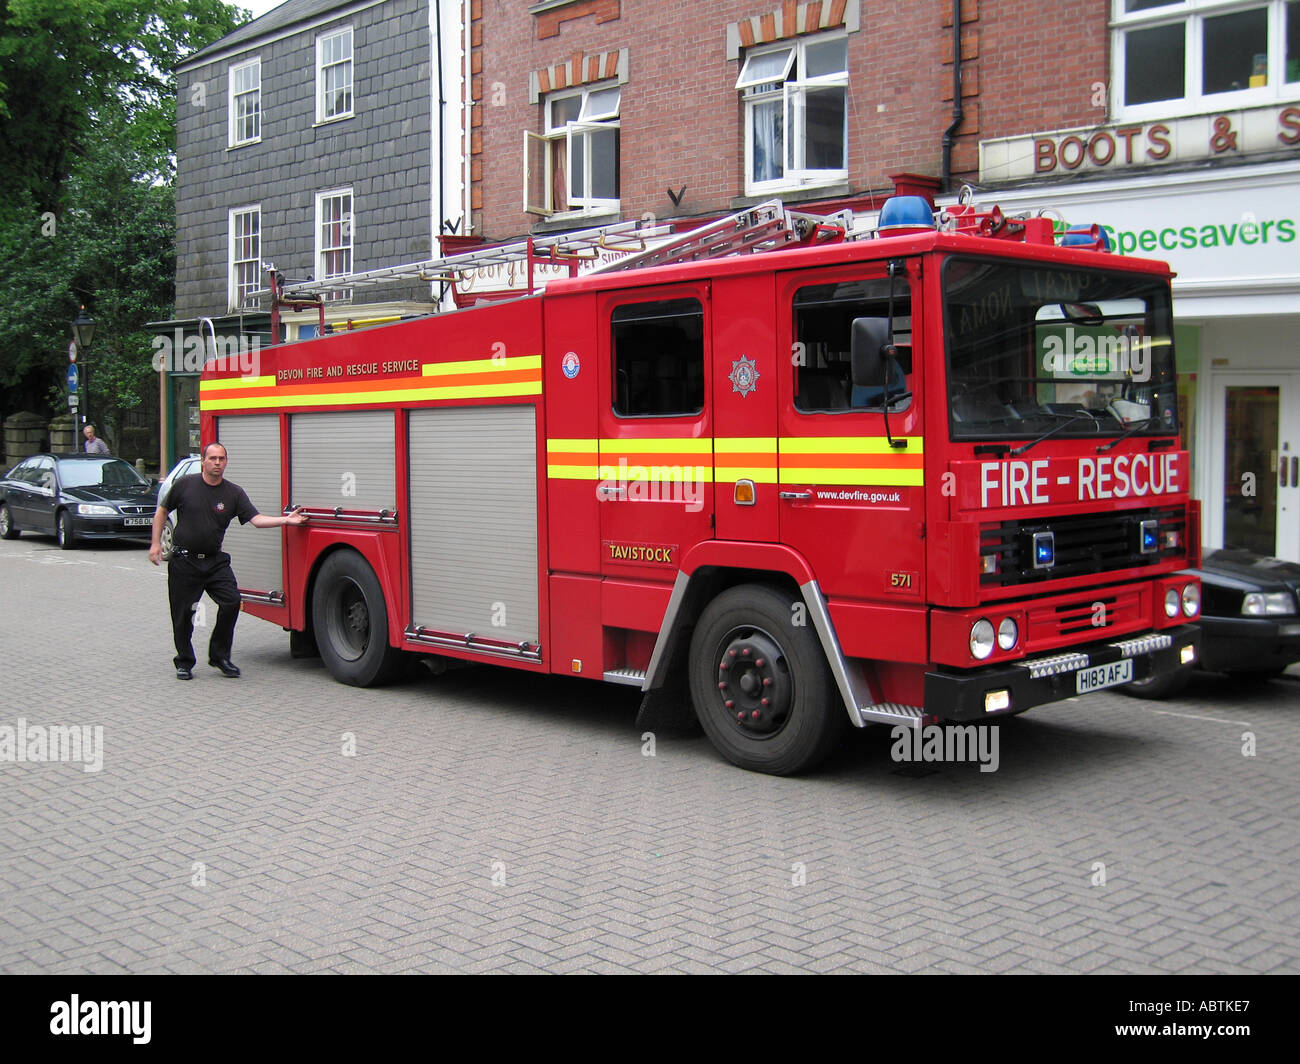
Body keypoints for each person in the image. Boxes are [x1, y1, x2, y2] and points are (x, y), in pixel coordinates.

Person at [149, 442, 306, 680]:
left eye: (221, 459)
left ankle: (219, 656)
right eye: (212, 458)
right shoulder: (185, 486)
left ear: (226, 462)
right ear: (203, 461)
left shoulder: (233, 493)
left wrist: (286, 520)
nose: (217, 463)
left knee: (232, 602)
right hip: (185, 562)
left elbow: (256, 519)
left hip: (214, 563)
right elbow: (162, 511)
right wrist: (156, 543)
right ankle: (184, 661)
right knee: (182, 615)